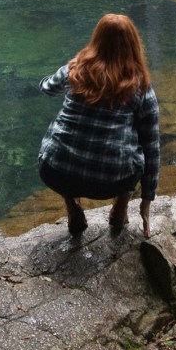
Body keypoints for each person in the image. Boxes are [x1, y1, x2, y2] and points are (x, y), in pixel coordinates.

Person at [38, 13, 160, 238]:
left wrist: (51, 78)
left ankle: (72, 203)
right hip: (113, 182)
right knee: (139, 143)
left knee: (62, 134)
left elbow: (47, 88)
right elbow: (151, 146)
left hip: (56, 173)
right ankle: (121, 206)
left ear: (97, 40)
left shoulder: (74, 70)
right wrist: (146, 201)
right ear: (134, 44)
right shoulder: (140, 86)